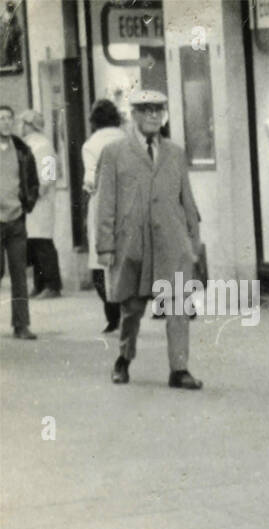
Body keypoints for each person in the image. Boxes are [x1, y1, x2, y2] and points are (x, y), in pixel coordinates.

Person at [98, 89, 203, 389]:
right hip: (133, 244)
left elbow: (188, 200)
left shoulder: (175, 152)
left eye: (158, 110)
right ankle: (124, 358)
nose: (153, 115)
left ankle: (179, 369)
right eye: (146, 110)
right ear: (133, 115)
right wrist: (105, 246)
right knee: (132, 309)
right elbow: (106, 202)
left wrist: (193, 241)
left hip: (172, 243)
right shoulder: (114, 153)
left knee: (178, 307)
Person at [83, 98, 126, 333]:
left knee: (99, 259)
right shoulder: (127, 138)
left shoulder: (91, 144)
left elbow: (90, 180)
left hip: (102, 204)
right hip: (128, 201)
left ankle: (112, 313)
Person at [0, 103, 38, 339]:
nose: (5, 122)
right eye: (1, 118)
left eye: (8, 119)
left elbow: (32, 179)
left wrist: (28, 203)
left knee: (19, 273)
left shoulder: (22, 149)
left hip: (15, 219)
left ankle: (21, 324)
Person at [18, 110, 60, 299]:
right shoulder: (28, 144)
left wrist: (37, 193)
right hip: (29, 203)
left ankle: (53, 285)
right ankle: (39, 284)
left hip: (40, 202)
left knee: (43, 243)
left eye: (22, 123)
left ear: (29, 125)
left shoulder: (43, 145)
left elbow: (49, 175)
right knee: (34, 244)